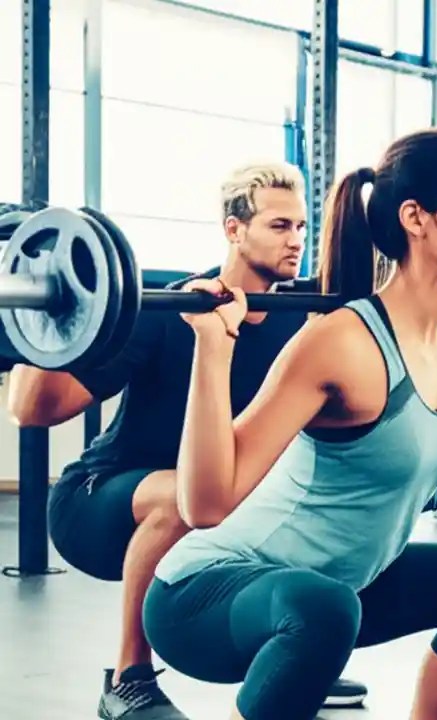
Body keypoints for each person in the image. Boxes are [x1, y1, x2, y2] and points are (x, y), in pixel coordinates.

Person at [140, 128, 437, 720]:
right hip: (206, 595)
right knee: (323, 609)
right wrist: (213, 350)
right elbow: (204, 505)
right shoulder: (341, 343)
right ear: (416, 218)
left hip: (342, 587)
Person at [6, 162, 368, 718]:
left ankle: (303, 648)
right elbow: (32, 409)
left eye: (301, 226)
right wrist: (50, 312)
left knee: (305, 496)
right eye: (278, 226)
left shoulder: (304, 323)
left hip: (216, 505)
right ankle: (128, 678)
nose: (296, 240)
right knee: (185, 498)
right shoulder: (176, 308)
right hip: (98, 503)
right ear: (233, 230)